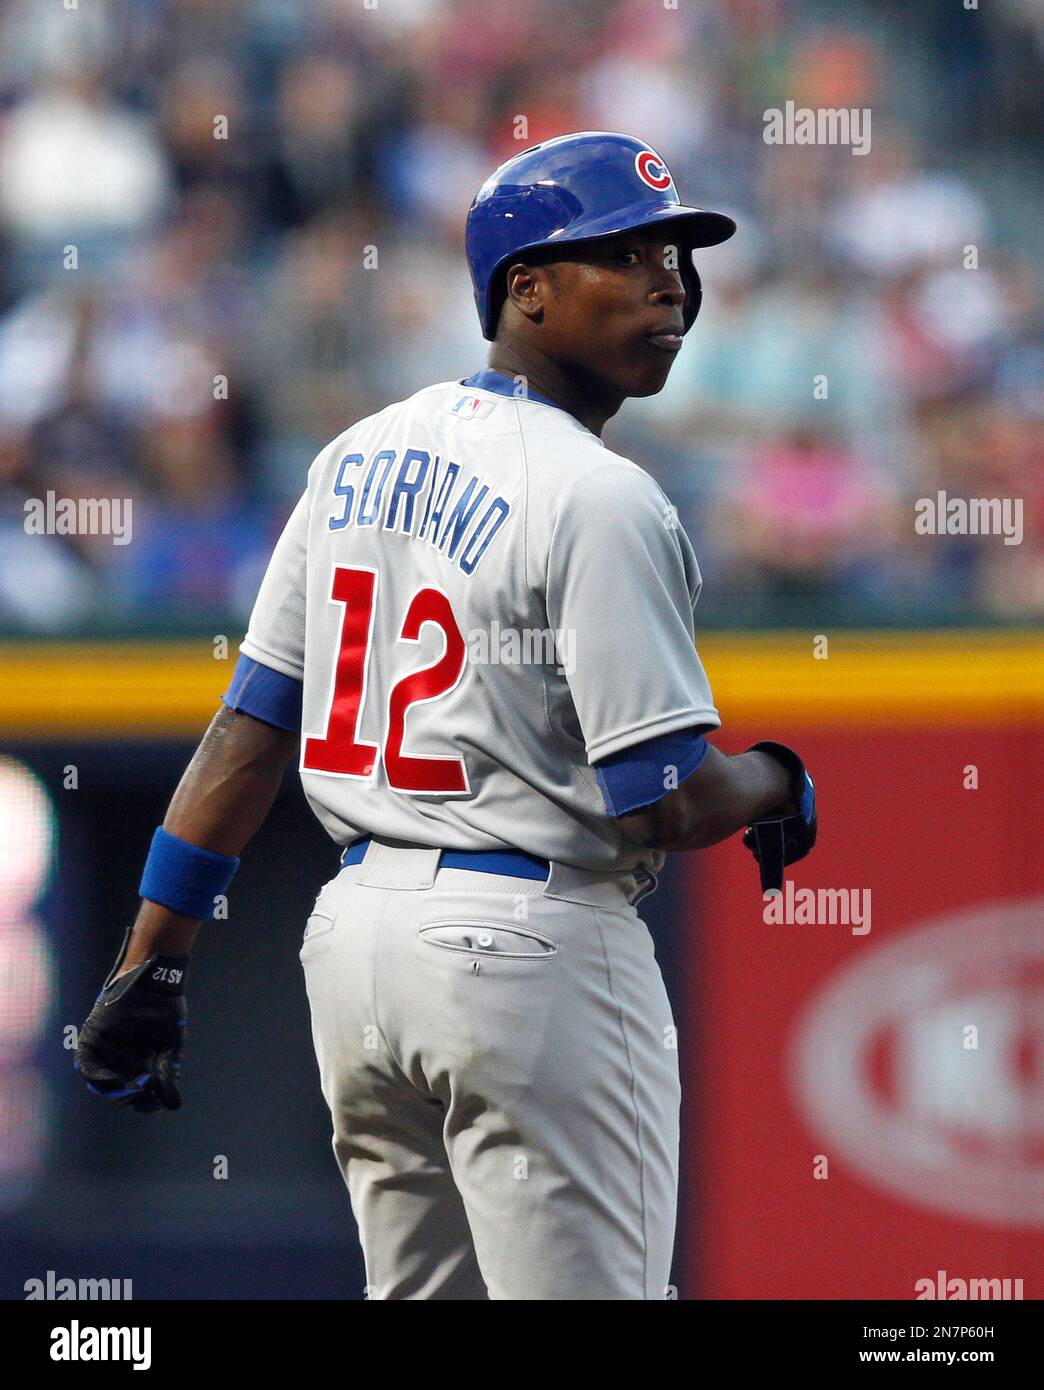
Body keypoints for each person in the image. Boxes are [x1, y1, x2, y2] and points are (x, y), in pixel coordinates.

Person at [76, 132, 816, 1300]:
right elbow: (664, 800)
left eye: (677, 256)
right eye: (625, 255)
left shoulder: (357, 455)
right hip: (533, 944)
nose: (671, 283)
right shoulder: (602, 495)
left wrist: (151, 959)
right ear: (525, 288)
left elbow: (250, 731)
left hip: (359, 948)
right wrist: (777, 780)